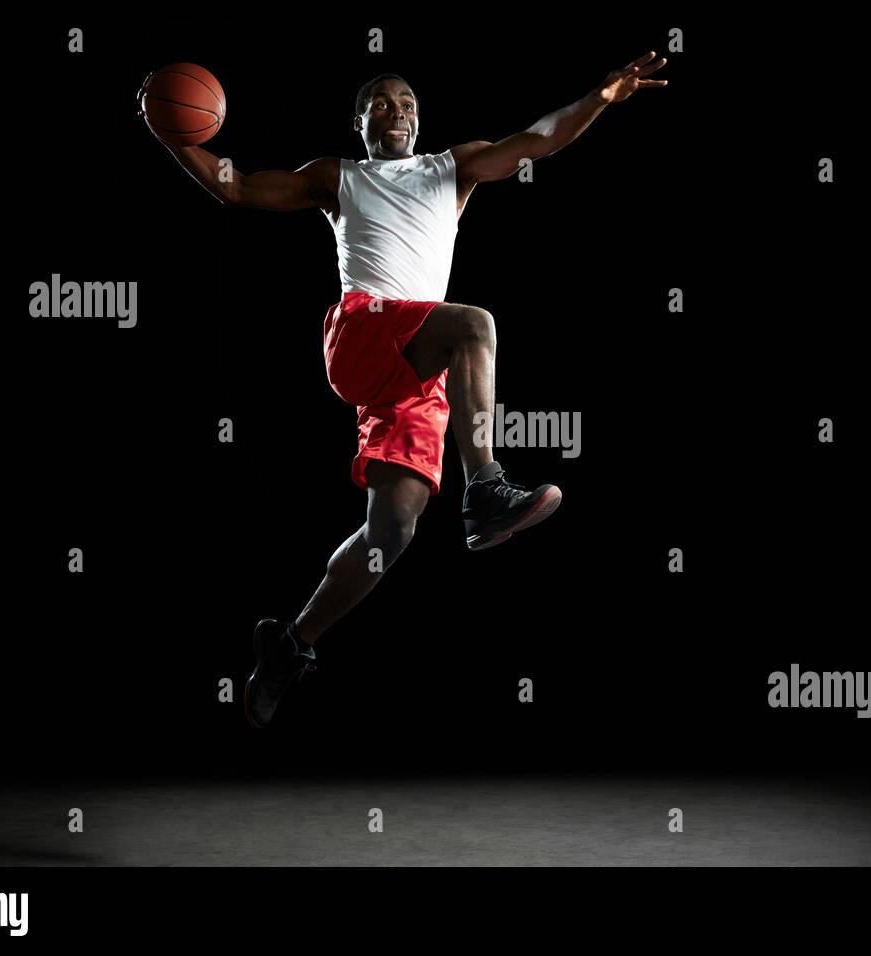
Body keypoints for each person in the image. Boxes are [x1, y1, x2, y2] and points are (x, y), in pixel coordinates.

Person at [145, 52, 668, 727]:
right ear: (359, 121)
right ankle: (487, 490)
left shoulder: (453, 169)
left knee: (391, 530)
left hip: (415, 367)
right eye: (383, 103)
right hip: (365, 332)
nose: (399, 111)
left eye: (409, 103)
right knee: (474, 326)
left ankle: (290, 645)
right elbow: (237, 187)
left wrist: (601, 94)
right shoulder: (338, 177)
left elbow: (541, 137)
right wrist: (173, 136)